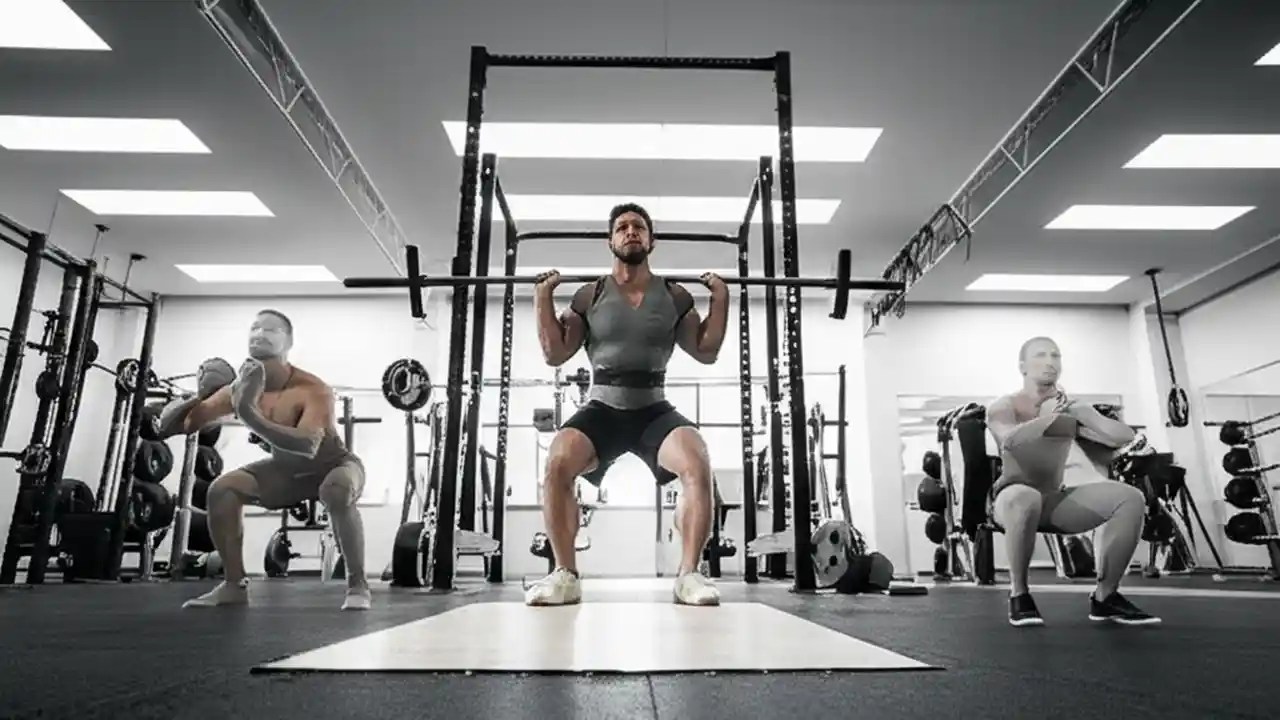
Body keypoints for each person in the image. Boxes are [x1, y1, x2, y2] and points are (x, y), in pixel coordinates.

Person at [525, 202, 729, 607]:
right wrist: (542, 298)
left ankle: (689, 575)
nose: (631, 232)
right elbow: (555, 354)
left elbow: (706, 351)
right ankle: (565, 575)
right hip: (601, 408)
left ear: (651, 239)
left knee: (697, 458)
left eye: (639, 226)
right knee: (558, 460)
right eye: (622, 227)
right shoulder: (591, 294)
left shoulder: (674, 295)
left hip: (654, 408)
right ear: (611, 240)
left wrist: (721, 298)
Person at [156, 309, 371, 611]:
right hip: (286, 473)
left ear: (289, 341)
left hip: (334, 467)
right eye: (255, 328)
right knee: (222, 490)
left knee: (335, 490)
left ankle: (358, 585)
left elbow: (308, 445)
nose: (260, 334)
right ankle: (233, 585)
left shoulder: (312, 389)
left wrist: (247, 413)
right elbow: (185, 425)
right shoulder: (240, 387)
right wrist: (199, 395)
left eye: (271, 330)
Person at [985, 336, 1160, 627]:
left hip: (1056, 498)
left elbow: (1125, 437)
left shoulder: (1072, 406)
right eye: (1041, 355)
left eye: (1056, 355)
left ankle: (1106, 597)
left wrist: (1081, 415)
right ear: (1023, 366)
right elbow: (1008, 439)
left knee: (1130, 499)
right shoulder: (1005, 405)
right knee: (1025, 497)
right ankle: (1019, 594)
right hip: (1011, 495)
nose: (1050, 361)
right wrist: (1047, 419)